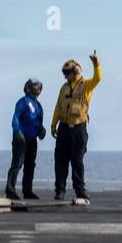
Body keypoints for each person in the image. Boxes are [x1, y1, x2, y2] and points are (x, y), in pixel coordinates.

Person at [51, 51, 102, 202]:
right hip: (64, 128)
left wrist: (96, 64)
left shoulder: (86, 85)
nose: (66, 76)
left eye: (68, 73)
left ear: (76, 71)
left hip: (79, 128)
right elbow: (58, 107)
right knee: (61, 161)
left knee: (77, 161)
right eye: (65, 74)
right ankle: (59, 190)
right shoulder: (63, 88)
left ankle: (80, 191)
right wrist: (54, 125)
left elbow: (98, 78)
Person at [7, 78, 46, 200]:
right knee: (17, 164)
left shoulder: (38, 106)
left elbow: (38, 122)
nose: (38, 87)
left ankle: (27, 190)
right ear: (28, 88)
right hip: (21, 138)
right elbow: (15, 118)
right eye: (35, 85)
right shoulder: (23, 102)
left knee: (30, 165)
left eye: (39, 86)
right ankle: (10, 190)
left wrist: (42, 130)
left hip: (32, 140)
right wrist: (17, 132)